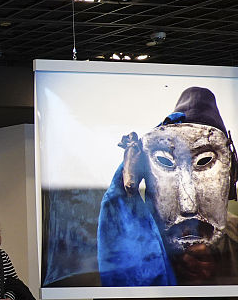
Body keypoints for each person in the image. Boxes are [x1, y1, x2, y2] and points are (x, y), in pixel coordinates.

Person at [99, 86, 238, 287]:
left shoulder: (234, 235)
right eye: (165, 162)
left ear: (231, 173)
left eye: (204, 161)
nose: (187, 205)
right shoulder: (137, 237)